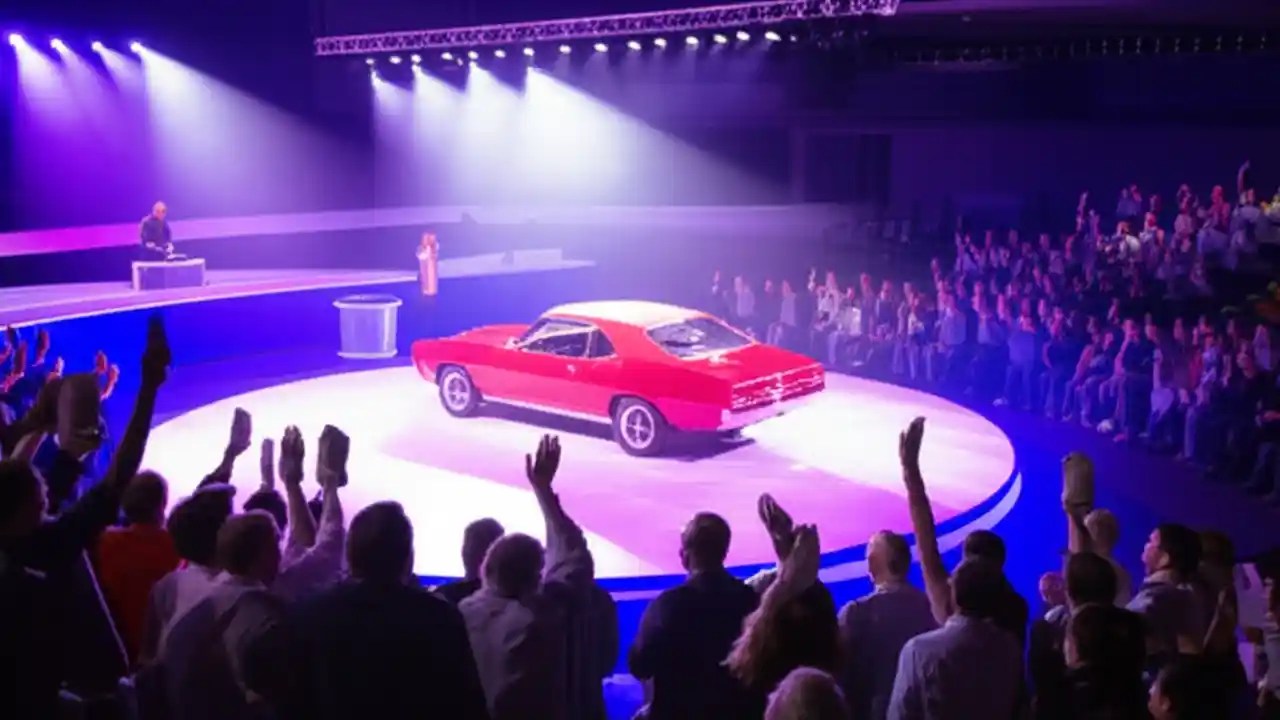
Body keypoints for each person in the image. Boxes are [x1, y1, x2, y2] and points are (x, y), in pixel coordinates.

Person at [279, 501, 489, 720]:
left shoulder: (307, 616)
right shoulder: (439, 618)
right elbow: (466, 706)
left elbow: (291, 703)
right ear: (407, 559)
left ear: (350, 555)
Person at [459, 435, 595, 720]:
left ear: (487, 570)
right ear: (536, 580)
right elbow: (575, 557)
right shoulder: (540, 620)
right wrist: (543, 491)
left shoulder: (460, 615)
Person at [630, 512, 761, 720]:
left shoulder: (668, 605)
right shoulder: (751, 600)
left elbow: (640, 664)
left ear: (685, 555)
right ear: (724, 552)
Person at [435, 518, 505, 605]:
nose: (468, 552)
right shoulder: (515, 603)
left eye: (476, 546)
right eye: (466, 545)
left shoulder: (443, 597)